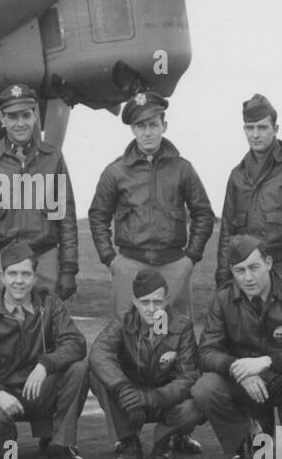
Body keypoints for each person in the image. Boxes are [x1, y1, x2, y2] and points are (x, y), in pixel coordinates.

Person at [193, 234, 282, 459]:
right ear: (231, 271)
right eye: (240, 270)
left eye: (254, 267)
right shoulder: (223, 300)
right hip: (245, 382)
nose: (248, 278)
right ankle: (247, 438)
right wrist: (237, 369)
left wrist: (268, 361)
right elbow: (206, 352)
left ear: (268, 263)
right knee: (204, 388)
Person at [87, 91, 214, 323]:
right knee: (126, 332)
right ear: (133, 129)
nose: (147, 132)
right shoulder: (115, 172)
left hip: (174, 265)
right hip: (130, 266)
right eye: (141, 125)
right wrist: (110, 259)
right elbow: (98, 216)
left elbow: (203, 213)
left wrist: (191, 258)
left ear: (164, 126)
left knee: (175, 332)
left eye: (153, 125)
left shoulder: (183, 169)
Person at [0, 240, 88, 459]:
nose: (19, 281)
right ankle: (5, 437)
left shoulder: (51, 304)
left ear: (35, 278)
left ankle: (59, 443)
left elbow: (76, 342)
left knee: (79, 369)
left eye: (26, 274)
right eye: (12, 273)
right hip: (4, 395)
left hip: (40, 390)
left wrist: (45, 365)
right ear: (2, 277)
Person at [0, 84, 79, 302]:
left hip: (43, 257)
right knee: (1, 327)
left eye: (26, 115)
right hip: (0, 255)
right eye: (12, 116)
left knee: (44, 328)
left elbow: (66, 219)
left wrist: (69, 269)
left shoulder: (53, 158)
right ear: (2, 118)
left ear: (35, 116)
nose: (20, 123)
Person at [88, 268, 206, 459]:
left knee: (198, 400)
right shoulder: (123, 321)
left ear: (167, 299)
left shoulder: (182, 325)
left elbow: (188, 377)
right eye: (145, 302)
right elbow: (98, 353)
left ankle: (167, 438)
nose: (151, 308)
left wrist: (153, 398)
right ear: (135, 302)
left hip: (165, 400)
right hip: (131, 401)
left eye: (157, 302)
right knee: (95, 374)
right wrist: (124, 388)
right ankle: (129, 441)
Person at [215, 93, 282, 297]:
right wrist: (223, 276)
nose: (255, 134)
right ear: (244, 130)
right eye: (250, 128)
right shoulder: (236, 176)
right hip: (248, 271)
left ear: (275, 129)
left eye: (262, 127)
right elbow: (227, 232)